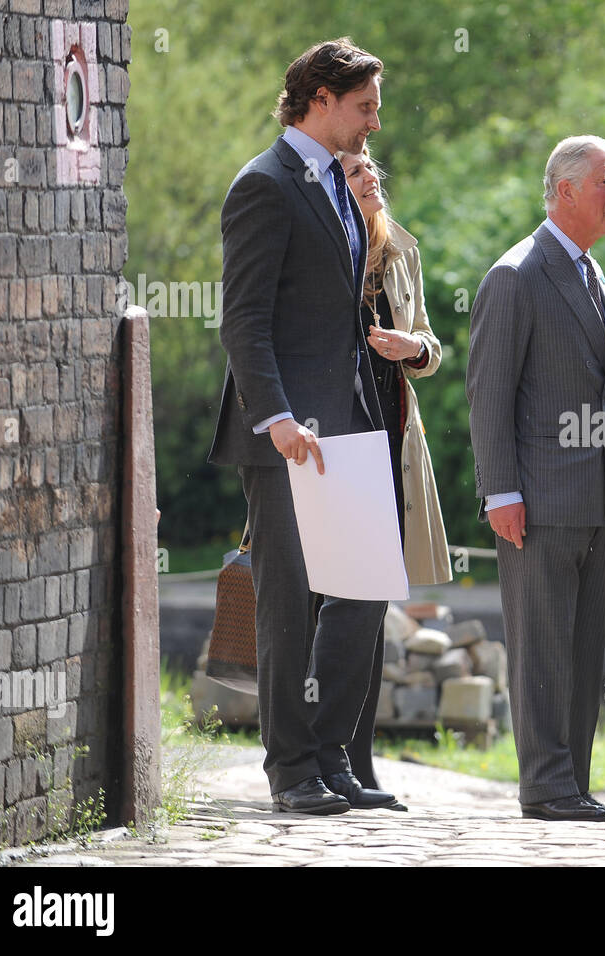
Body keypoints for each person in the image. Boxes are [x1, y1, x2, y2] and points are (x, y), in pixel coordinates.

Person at [207, 38, 397, 814]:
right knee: (288, 602)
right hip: (285, 432)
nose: (374, 123)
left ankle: (330, 757)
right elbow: (243, 322)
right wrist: (277, 417)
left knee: (364, 590)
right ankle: (291, 772)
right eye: (365, 106)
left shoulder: (336, 185)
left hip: (350, 422)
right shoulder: (264, 184)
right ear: (320, 98)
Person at [466, 135, 605, 822]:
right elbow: (490, 393)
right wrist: (500, 492)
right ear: (565, 190)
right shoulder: (514, 276)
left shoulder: (597, 276)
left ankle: (573, 783)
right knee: (541, 648)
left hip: (600, 500)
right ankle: (545, 784)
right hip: (537, 502)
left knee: (582, 650)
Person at [338, 146, 453, 794]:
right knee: (337, 605)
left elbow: (432, 346)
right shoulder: (328, 246)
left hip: (392, 442)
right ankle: (320, 759)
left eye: (373, 169)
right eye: (356, 172)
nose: (371, 177)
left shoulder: (402, 250)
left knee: (373, 604)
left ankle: (360, 761)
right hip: (336, 447)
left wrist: (414, 348)